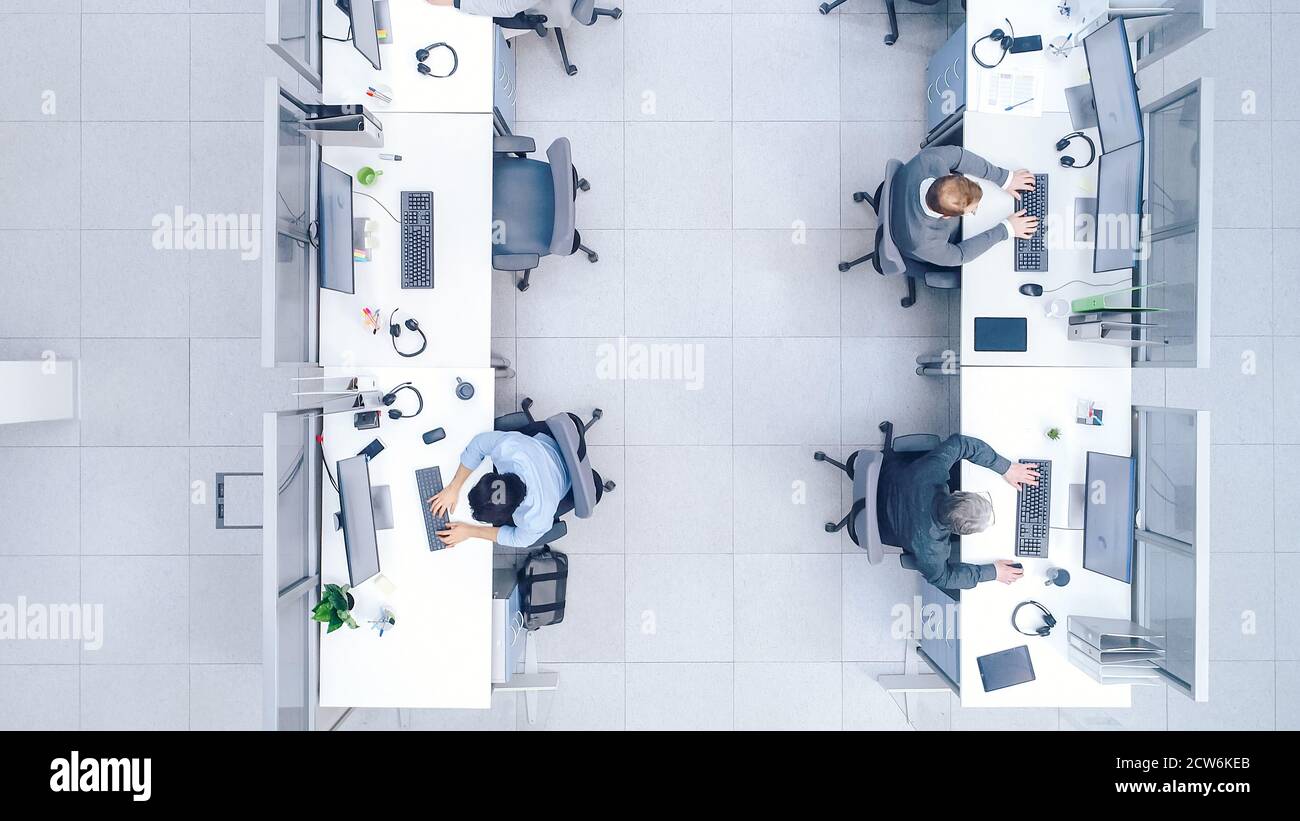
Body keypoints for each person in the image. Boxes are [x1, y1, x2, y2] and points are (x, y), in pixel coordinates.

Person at [878, 433, 1038, 590]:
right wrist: (992, 572)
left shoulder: (932, 470)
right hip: (881, 525)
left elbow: (960, 443)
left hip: (883, 476)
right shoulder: (932, 550)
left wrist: (1006, 467)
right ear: (957, 533)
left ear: (957, 493)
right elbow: (942, 579)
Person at [890, 145, 1039, 267]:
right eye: (972, 210)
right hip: (916, 245)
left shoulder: (928, 160)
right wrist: (1006, 229)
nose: (976, 209)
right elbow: (959, 255)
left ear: (949, 176)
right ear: (947, 217)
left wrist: (1005, 178)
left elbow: (960, 156)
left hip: (901, 192)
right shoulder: (923, 241)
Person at [427, 425, 571, 547]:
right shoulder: (510, 449)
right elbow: (478, 444)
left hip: (562, 478)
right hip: (545, 449)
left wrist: (470, 531)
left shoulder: (536, 518)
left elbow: (518, 539)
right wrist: (454, 487)